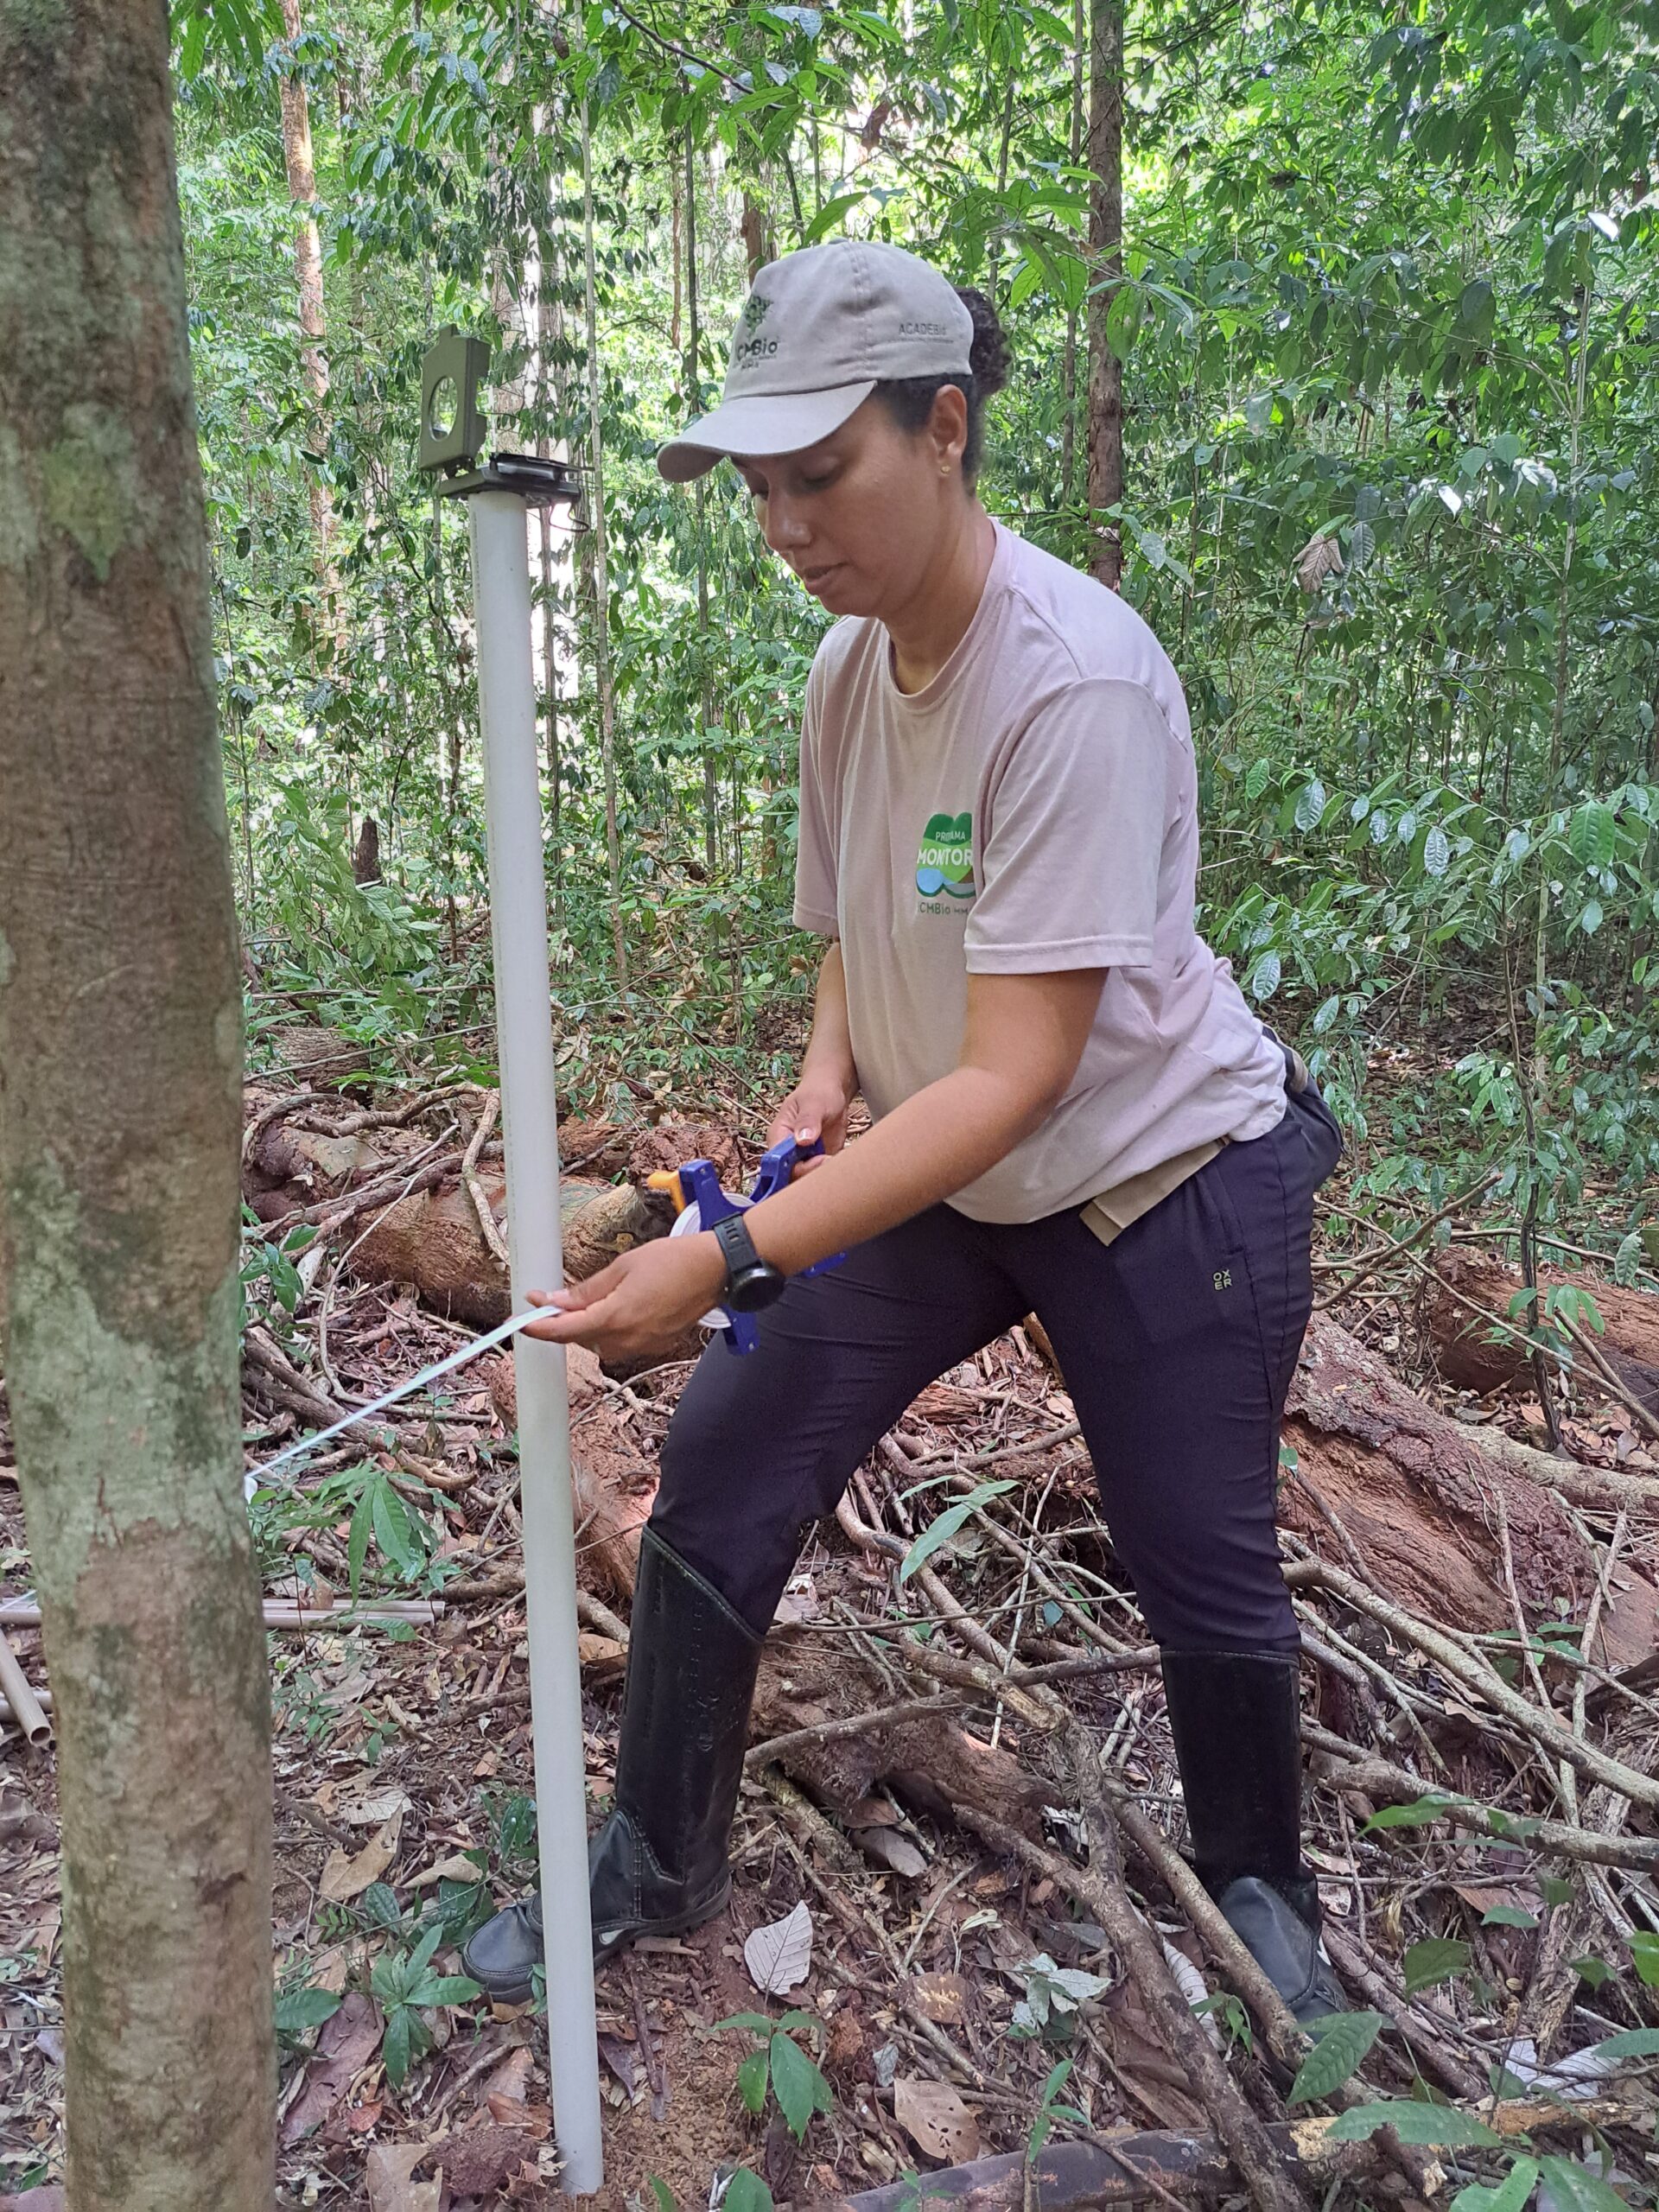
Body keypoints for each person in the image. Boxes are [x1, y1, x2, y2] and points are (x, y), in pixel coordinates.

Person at [463, 238, 1344, 2023]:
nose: (786, 526)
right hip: (959, 1157)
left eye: (822, 472)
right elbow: (865, 925)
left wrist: (727, 1252)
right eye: (759, 488)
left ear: (946, 430)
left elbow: (1020, 1076)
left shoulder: (1071, 682)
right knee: (736, 1436)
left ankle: (1262, 1899)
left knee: (1195, 1545)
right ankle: (656, 1850)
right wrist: (829, 1067)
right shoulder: (849, 673)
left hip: (1161, 1173)